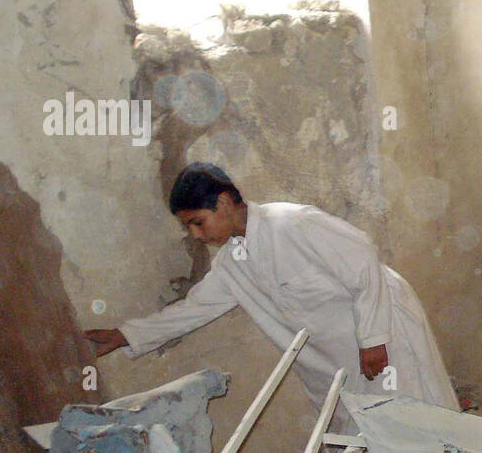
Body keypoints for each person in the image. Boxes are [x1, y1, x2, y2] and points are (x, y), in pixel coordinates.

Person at [86, 163, 458, 429]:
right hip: (337, 355)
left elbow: (362, 260)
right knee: (363, 431)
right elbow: (196, 308)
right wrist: (126, 335)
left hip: (384, 327)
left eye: (197, 222)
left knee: (418, 420)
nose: (196, 235)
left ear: (224, 202)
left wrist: (374, 340)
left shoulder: (292, 222)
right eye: (189, 227)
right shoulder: (233, 263)